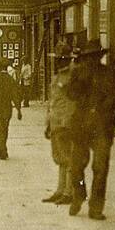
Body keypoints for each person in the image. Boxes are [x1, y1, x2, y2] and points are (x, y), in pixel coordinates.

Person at [66, 43, 115, 220]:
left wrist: (104, 107)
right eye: (88, 57)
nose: (91, 60)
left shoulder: (109, 74)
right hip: (81, 127)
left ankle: (96, 206)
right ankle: (79, 193)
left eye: (94, 56)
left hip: (102, 127)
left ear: (99, 57)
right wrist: (80, 84)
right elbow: (70, 94)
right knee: (76, 167)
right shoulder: (78, 73)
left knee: (100, 167)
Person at [42, 50, 77, 204]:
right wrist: (48, 123)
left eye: (60, 59)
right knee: (60, 158)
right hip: (55, 122)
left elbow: (73, 102)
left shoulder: (72, 78)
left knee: (68, 158)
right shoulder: (56, 78)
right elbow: (52, 103)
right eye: (56, 59)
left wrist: (67, 122)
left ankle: (70, 192)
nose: (57, 62)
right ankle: (60, 189)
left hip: (66, 123)